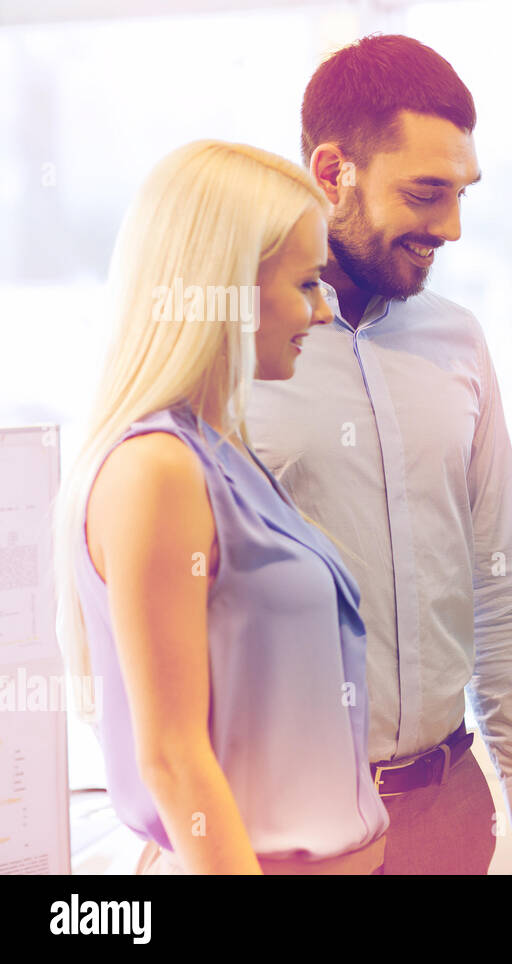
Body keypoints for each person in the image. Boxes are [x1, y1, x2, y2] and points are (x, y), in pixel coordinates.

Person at [244, 34, 512, 874]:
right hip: (285, 831)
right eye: (427, 195)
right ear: (331, 172)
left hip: (450, 813)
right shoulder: (230, 347)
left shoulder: (458, 342)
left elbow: (501, 588)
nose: (451, 228)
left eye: (462, 194)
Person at [53, 140, 389, 874]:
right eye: (307, 284)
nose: (325, 313)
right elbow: (174, 761)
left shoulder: (220, 451)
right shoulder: (156, 471)